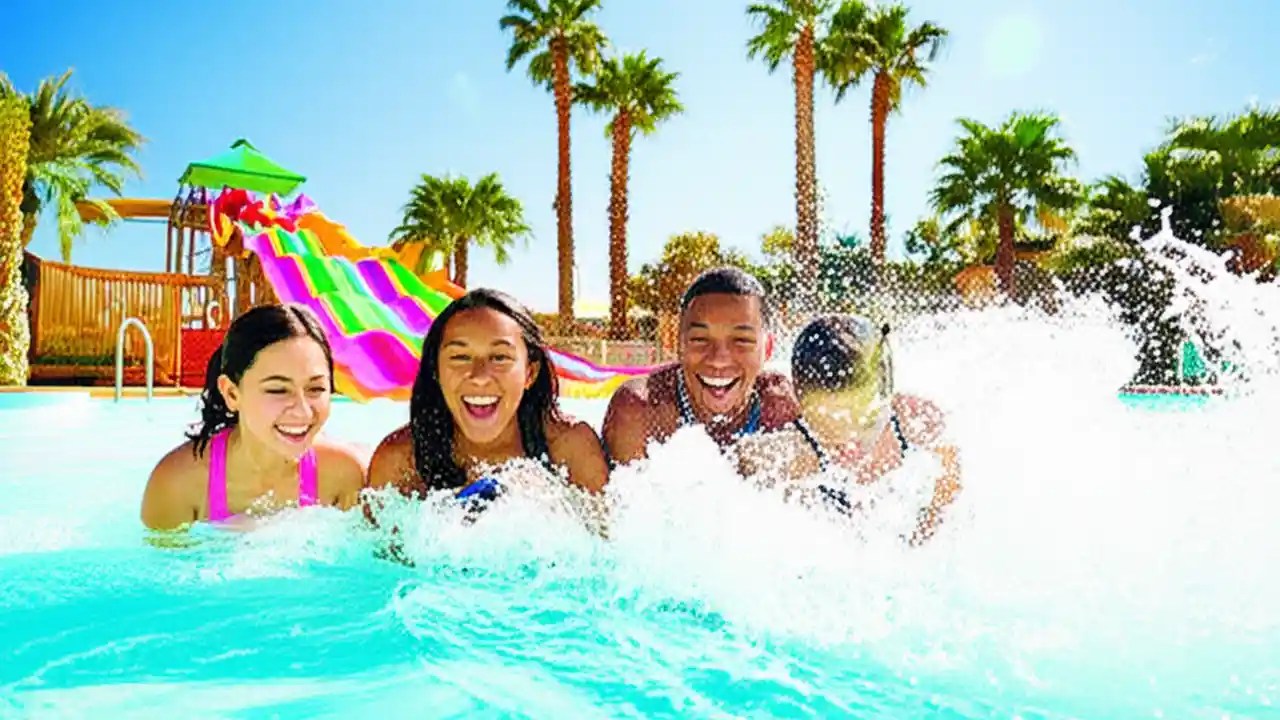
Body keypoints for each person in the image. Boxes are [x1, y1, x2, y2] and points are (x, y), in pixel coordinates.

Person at [366, 288, 608, 507]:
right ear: (436, 372)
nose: (480, 376)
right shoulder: (400, 461)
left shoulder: (570, 448)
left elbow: (604, 546)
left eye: (500, 358)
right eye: (460, 357)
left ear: (530, 373)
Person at [141, 304, 368, 531]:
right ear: (231, 393)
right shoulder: (178, 484)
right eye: (278, 390)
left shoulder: (344, 476)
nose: (303, 412)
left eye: (316, 389)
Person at [739, 313, 961, 544]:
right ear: (802, 407)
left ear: (885, 395)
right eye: (827, 430)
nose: (851, 444)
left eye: (867, 422)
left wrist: (920, 540)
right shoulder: (783, 455)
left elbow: (949, 495)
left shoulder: (917, 422)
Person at [602, 266, 801, 465]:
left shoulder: (779, 406)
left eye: (741, 340)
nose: (719, 359)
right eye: (700, 339)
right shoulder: (640, 412)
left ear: (767, 349)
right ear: (676, 344)